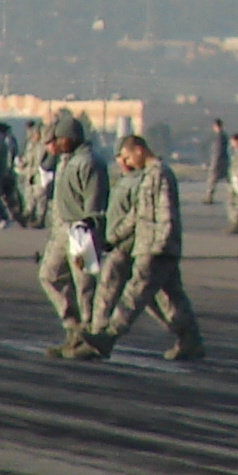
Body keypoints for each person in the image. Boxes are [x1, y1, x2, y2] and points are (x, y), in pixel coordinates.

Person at [69, 136, 203, 363]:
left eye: (129, 157)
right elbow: (136, 215)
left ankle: (108, 338)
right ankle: (190, 340)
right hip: (150, 245)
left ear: (139, 150)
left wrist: (160, 245)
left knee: (134, 294)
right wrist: (112, 238)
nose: (128, 162)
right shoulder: (148, 176)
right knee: (170, 299)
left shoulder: (160, 173)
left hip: (155, 247)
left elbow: (165, 211)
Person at [35, 114, 110, 359]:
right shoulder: (66, 161)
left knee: (85, 286)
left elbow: (94, 201)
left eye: (58, 139)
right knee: (49, 276)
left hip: (82, 231)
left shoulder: (89, 162)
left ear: (69, 138)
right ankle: (73, 328)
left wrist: (89, 231)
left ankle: (87, 337)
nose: (53, 144)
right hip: (62, 230)